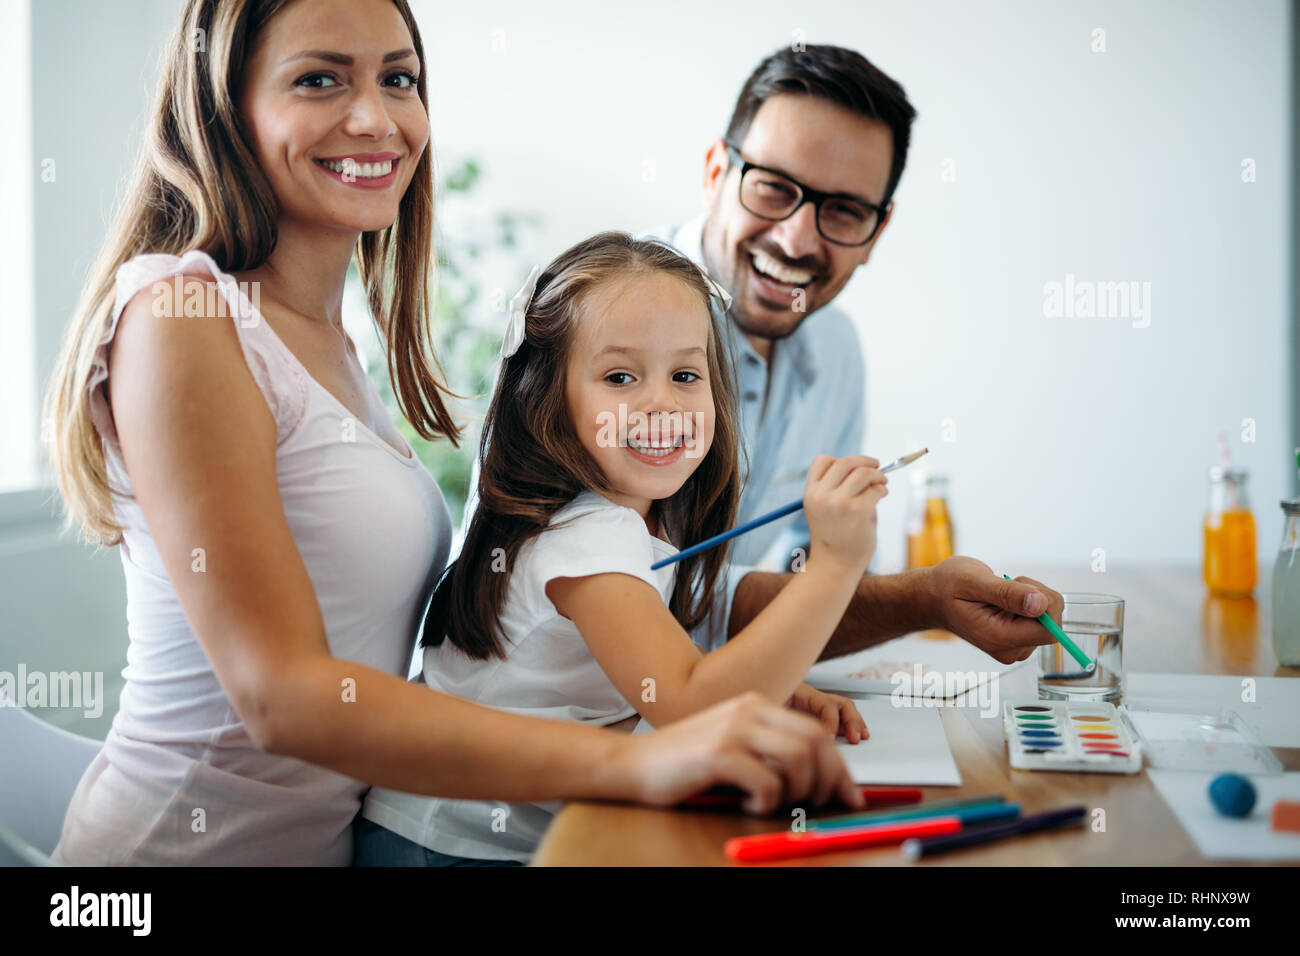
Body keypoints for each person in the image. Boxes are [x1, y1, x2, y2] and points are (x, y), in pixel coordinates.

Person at [39, 0, 864, 866]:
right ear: (223, 106)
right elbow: (283, 697)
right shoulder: (183, 310)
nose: (375, 117)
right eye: (319, 78)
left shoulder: (331, 343)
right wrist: (644, 758)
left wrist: (727, 712)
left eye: (399, 78)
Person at [357, 233, 883, 865]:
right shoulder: (588, 540)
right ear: (548, 399)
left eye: (685, 374)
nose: (662, 402)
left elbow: (665, 672)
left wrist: (762, 692)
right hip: (443, 848)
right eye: (619, 376)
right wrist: (836, 566)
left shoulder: (623, 526)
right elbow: (688, 704)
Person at [646, 44, 1064, 656]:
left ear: (878, 230)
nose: (795, 239)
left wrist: (782, 665)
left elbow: (798, 574)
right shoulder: (604, 318)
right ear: (716, 172)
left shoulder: (836, 350)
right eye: (772, 187)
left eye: (843, 211)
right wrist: (918, 600)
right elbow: (636, 592)